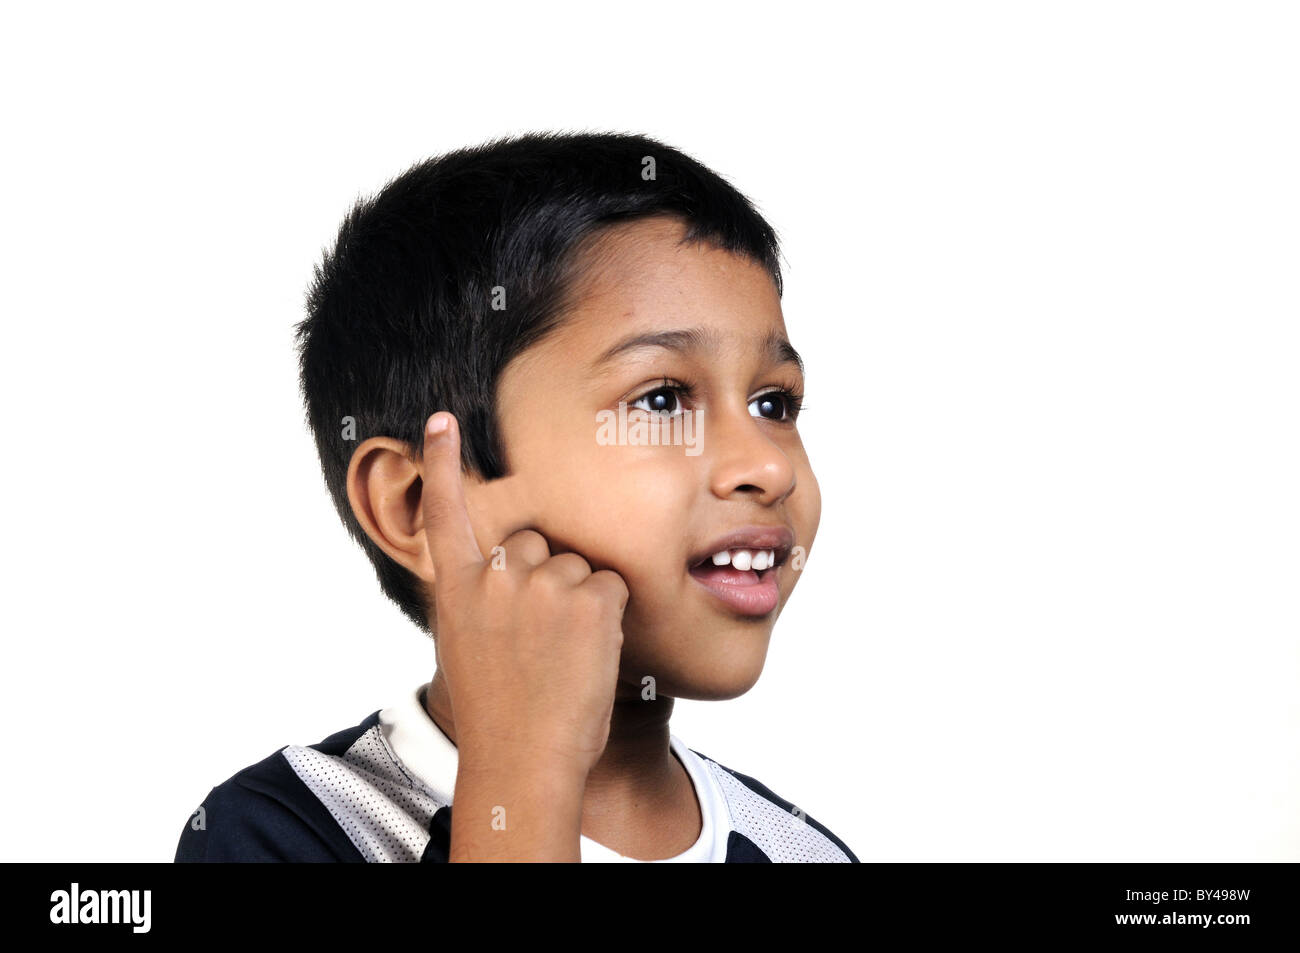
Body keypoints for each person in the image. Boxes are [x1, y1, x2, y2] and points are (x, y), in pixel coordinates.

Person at [174, 131, 857, 862]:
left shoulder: (801, 850)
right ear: (414, 507)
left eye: (775, 405)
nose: (767, 466)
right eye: (661, 399)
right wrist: (524, 771)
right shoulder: (281, 831)